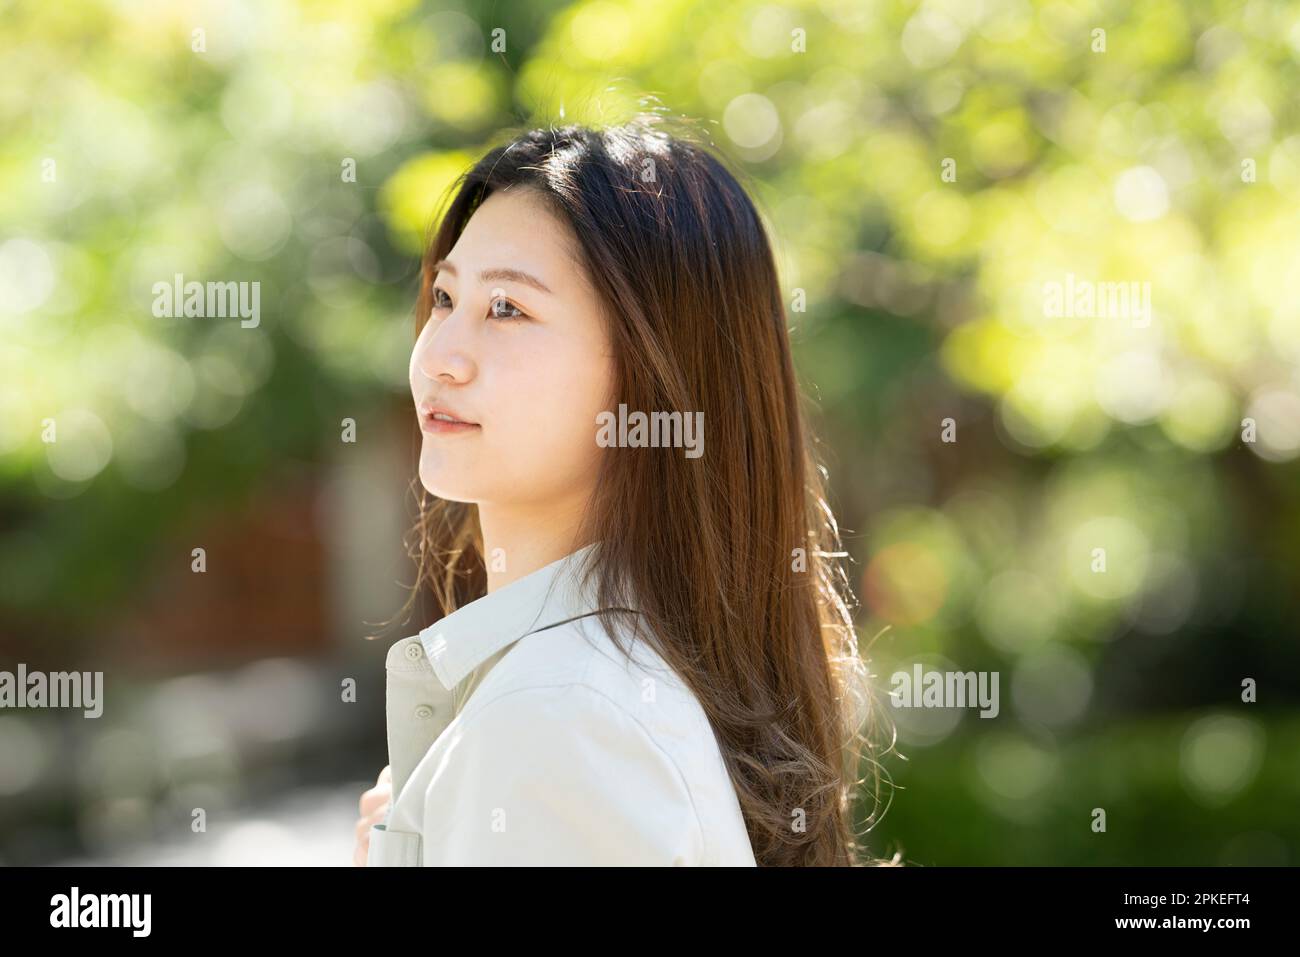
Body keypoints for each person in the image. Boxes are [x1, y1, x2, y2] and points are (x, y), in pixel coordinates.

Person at [354, 118, 886, 866]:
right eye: (444, 298)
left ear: (650, 376)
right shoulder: (620, 684)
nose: (439, 356)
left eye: (507, 308)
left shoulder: (554, 717)